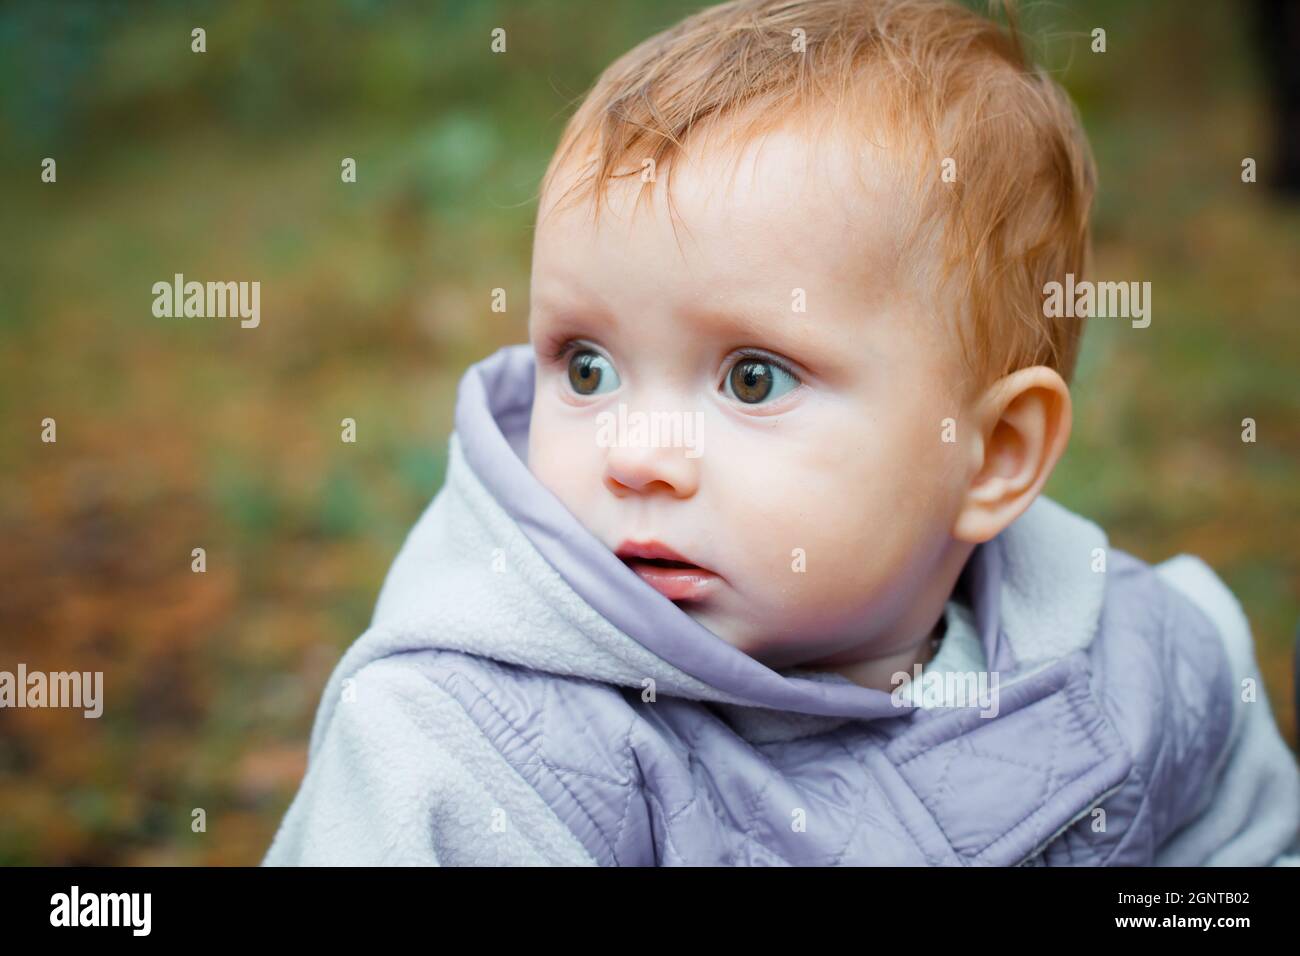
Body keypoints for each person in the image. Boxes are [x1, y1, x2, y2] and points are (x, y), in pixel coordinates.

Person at [263, 0, 1300, 865]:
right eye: (587, 366)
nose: (635, 452)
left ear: (992, 455)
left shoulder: (1145, 674)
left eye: (752, 377)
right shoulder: (477, 754)